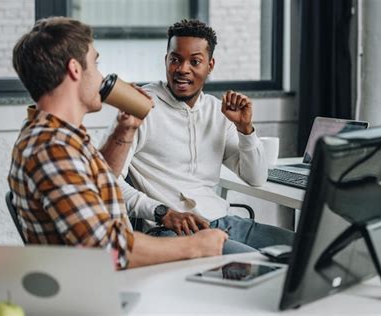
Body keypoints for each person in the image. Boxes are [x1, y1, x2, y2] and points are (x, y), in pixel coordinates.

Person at [7, 17, 227, 270]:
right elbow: (107, 250)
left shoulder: (60, 136)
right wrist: (196, 246)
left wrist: (126, 128)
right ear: (75, 70)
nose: (101, 76)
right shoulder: (52, 149)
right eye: (95, 64)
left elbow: (100, 180)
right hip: (99, 293)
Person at [102, 19, 294, 253]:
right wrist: (161, 212)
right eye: (175, 59)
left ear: (210, 65)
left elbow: (256, 177)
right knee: (260, 264)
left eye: (195, 61)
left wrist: (245, 129)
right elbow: (108, 183)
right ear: (166, 60)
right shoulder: (141, 106)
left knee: (309, 249)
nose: (183, 69)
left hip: (224, 222)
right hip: (173, 231)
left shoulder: (217, 111)